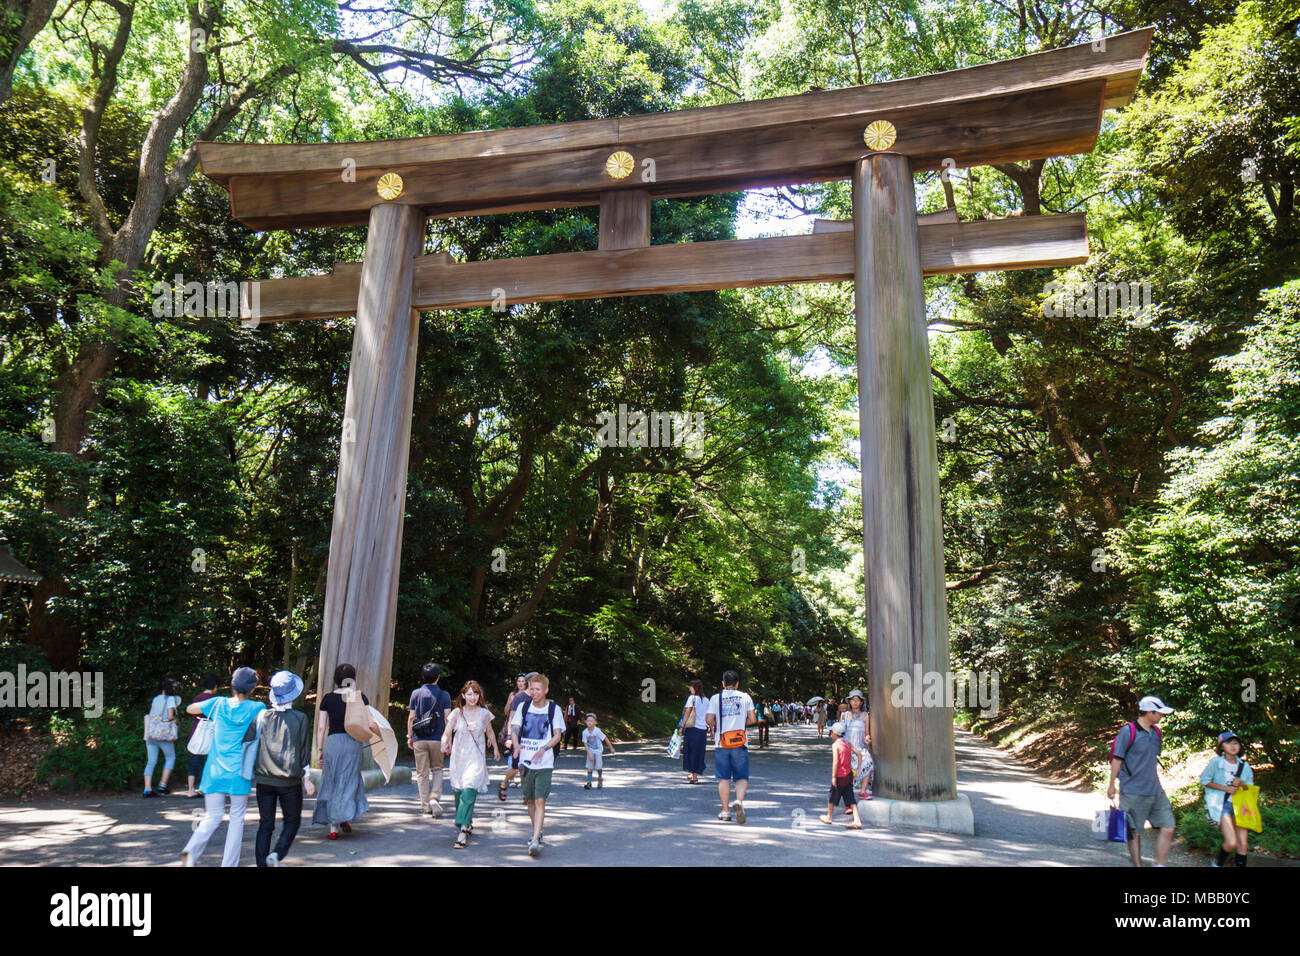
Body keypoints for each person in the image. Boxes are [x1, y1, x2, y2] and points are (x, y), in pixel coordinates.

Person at [181, 666, 265, 866]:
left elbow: (190, 709)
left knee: (213, 817)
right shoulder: (257, 708)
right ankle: (229, 864)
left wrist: (205, 707)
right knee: (236, 819)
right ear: (252, 689)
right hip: (239, 771)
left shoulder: (217, 703)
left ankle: (189, 854)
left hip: (214, 770)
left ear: (232, 686)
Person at [313, 663, 380, 839]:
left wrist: (320, 749)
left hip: (333, 743)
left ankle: (333, 828)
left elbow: (321, 728)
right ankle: (342, 817)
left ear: (336, 679)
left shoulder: (328, 699)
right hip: (352, 743)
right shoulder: (358, 698)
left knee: (332, 780)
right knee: (349, 780)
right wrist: (381, 736)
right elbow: (371, 723)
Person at [1107, 695, 1176, 867]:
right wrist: (1111, 785)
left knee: (1168, 827)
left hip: (1156, 791)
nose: (1162, 716)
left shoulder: (1156, 733)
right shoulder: (1128, 731)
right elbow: (1117, 759)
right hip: (1132, 791)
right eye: (1159, 713)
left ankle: (1158, 865)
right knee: (1134, 832)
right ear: (1149, 712)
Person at [254, 670, 314, 867]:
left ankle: (262, 864)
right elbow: (304, 753)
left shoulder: (262, 716)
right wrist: (307, 779)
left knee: (265, 825)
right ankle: (277, 854)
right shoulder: (300, 718)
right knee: (292, 822)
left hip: (264, 779)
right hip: (290, 780)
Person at [509, 673, 565, 857]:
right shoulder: (523, 707)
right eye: (531, 689)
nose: (534, 692)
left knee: (540, 799)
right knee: (530, 800)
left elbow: (557, 735)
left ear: (546, 690)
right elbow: (515, 728)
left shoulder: (553, 709)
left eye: (537, 689)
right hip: (525, 761)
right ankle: (537, 831)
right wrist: (516, 744)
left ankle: (534, 839)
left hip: (544, 762)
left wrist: (545, 748)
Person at [442, 680, 499, 849]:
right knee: (459, 792)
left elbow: (490, 731)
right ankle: (466, 822)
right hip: (459, 759)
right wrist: (444, 743)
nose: (472, 697)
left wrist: (495, 747)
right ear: (463, 695)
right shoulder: (456, 713)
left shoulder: (484, 713)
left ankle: (462, 829)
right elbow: (446, 732)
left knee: (469, 789)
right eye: (469, 694)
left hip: (476, 758)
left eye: (475, 694)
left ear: (479, 696)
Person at [706, 670, 756, 824]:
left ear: (723, 683)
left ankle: (725, 811)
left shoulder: (716, 698)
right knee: (741, 777)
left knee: (724, 778)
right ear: (737, 684)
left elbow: (709, 719)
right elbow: (752, 719)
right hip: (740, 743)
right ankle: (739, 801)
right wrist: (740, 724)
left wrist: (720, 725)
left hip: (722, 743)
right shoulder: (745, 697)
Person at [1200, 731, 1254, 867]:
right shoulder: (1215, 762)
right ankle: (1217, 863)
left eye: (1236, 743)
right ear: (1221, 746)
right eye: (1228, 742)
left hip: (1240, 806)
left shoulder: (1245, 766)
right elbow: (1204, 780)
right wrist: (1226, 788)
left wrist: (1241, 783)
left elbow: (1250, 788)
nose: (1233, 746)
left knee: (1243, 844)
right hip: (1222, 805)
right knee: (1231, 842)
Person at [407, 662, 452, 817]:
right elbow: (448, 719)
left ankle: (425, 806)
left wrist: (410, 736)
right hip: (438, 738)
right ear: (438, 677)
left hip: (420, 738)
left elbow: (411, 717)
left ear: (423, 677)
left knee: (422, 773)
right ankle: (435, 798)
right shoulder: (444, 695)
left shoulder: (415, 694)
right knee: (438, 769)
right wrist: (449, 740)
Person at [820, 722, 864, 829]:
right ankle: (857, 820)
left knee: (832, 797)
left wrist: (833, 777)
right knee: (850, 798)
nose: (830, 734)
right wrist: (857, 768)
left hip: (840, 775)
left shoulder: (836, 745)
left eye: (831, 732)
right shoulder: (848, 743)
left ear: (835, 733)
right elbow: (859, 753)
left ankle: (829, 817)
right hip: (849, 775)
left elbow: (835, 762)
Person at [143, 678, 181, 797]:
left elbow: (152, 715)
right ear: (171, 687)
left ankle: (147, 789)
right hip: (163, 734)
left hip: (151, 733)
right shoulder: (170, 699)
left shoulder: (155, 699)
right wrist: (176, 719)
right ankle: (162, 786)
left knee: (151, 761)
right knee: (170, 757)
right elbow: (170, 716)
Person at [184, 673, 219, 798]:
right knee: (210, 762)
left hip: (197, 733)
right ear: (215, 686)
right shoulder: (215, 700)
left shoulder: (197, 698)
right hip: (210, 734)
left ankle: (190, 789)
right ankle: (207, 788)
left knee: (194, 761)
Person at [499, 673, 533, 798]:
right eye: (519, 681)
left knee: (525, 758)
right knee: (513, 758)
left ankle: (523, 781)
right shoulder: (514, 696)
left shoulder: (534, 696)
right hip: (514, 727)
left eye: (523, 681)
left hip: (527, 731)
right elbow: (508, 713)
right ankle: (509, 780)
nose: (520, 683)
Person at [842, 689, 872, 801]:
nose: (855, 702)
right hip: (848, 748)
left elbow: (867, 733)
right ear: (849, 701)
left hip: (860, 747)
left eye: (857, 700)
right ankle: (847, 800)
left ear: (861, 702)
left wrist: (868, 739)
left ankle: (863, 792)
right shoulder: (845, 715)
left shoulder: (865, 715)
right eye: (853, 700)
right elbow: (841, 732)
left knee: (869, 763)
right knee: (847, 773)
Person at [681, 680, 709, 782]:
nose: (689, 689)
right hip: (702, 731)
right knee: (699, 753)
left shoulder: (692, 698)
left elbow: (687, 714)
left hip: (692, 729)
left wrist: (681, 726)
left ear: (695, 688)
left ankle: (694, 777)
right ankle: (694, 775)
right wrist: (712, 729)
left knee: (691, 752)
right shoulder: (706, 700)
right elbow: (708, 715)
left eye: (691, 687)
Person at [582, 713, 615, 788]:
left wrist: (611, 747)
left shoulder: (597, 731)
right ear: (585, 722)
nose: (589, 722)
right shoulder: (584, 732)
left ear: (595, 722)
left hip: (598, 751)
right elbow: (585, 744)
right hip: (590, 750)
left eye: (592, 721)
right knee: (589, 767)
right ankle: (589, 782)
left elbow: (605, 738)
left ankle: (600, 779)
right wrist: (589, 753)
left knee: (598, 767)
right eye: (588, 720)